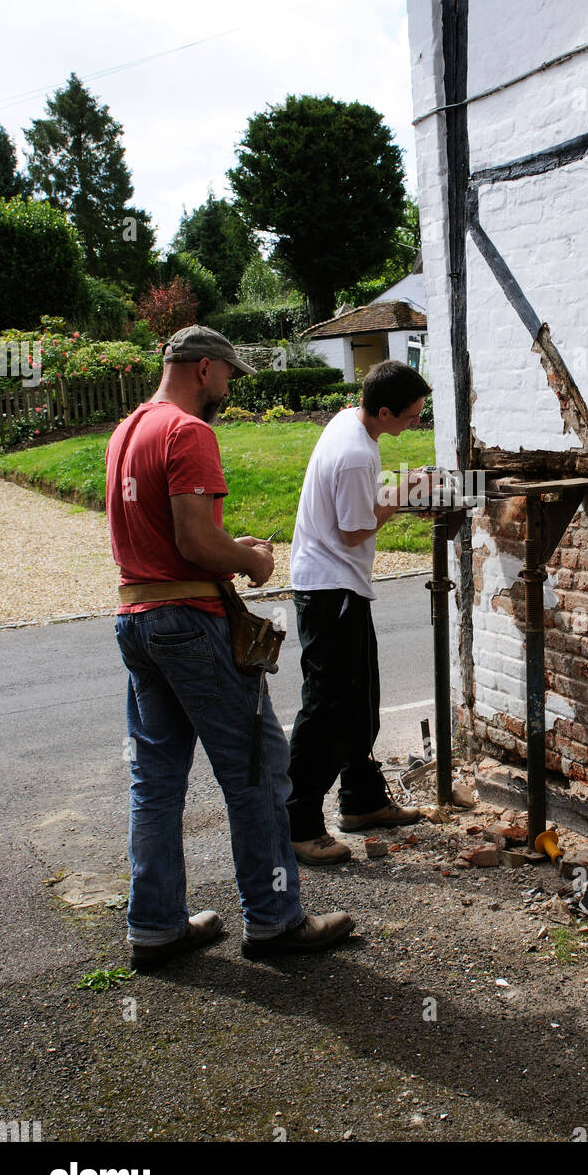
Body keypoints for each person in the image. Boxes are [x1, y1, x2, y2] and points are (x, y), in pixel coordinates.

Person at [105, 324, 354, 971]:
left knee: (155, 781)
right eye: (227, 376)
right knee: (254, 774)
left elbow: (163, 539)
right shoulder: (189, 432)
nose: (228, 388)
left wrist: (221, 547)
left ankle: (155, 928)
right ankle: (274, 921)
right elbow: (193, 541)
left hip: (138, 618)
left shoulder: (126, 431)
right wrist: (252, 558)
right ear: (204, 369)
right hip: (190, 622)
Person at [287, 359, 433, 864]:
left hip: (339, 586)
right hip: (331, 592)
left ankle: (362, 801)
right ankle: (299, 823)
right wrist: (406, 493)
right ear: (386, 410)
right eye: (412, 415)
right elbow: (354, 530)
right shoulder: (354, 454)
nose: (416, 422)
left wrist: (395, 488)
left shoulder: (352, 425)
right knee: (327, 708)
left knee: (363, 699)